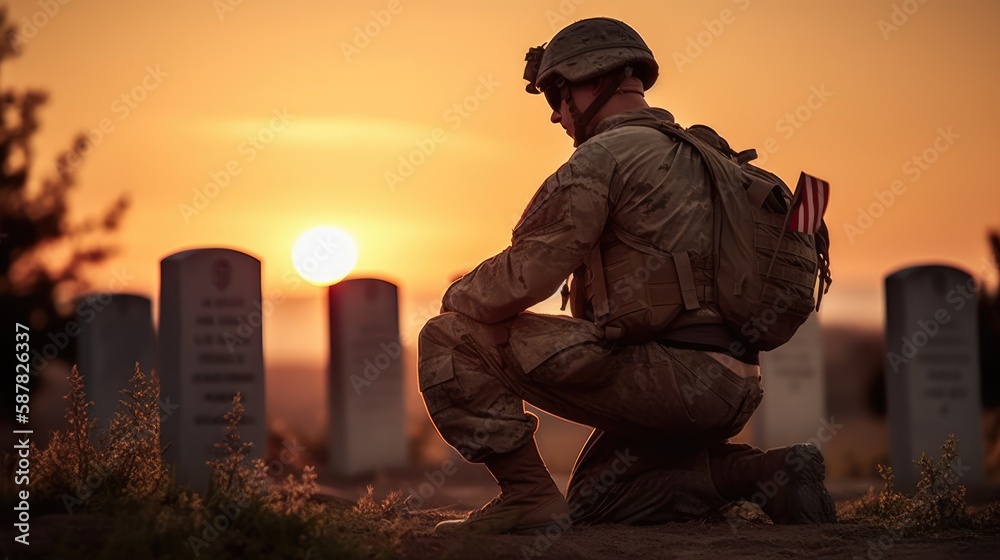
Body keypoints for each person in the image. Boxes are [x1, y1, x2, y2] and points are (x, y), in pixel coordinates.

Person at [417, 17, 836, 535]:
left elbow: (523, 279)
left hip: (672, 382)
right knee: (599, 498)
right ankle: (767, 474)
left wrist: (457, 295)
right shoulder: (720, 159)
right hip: (736, 386)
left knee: (449, 337)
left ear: (590, 81)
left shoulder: (603, 158)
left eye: (557, 95)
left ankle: (525, 496)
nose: (556, 115)